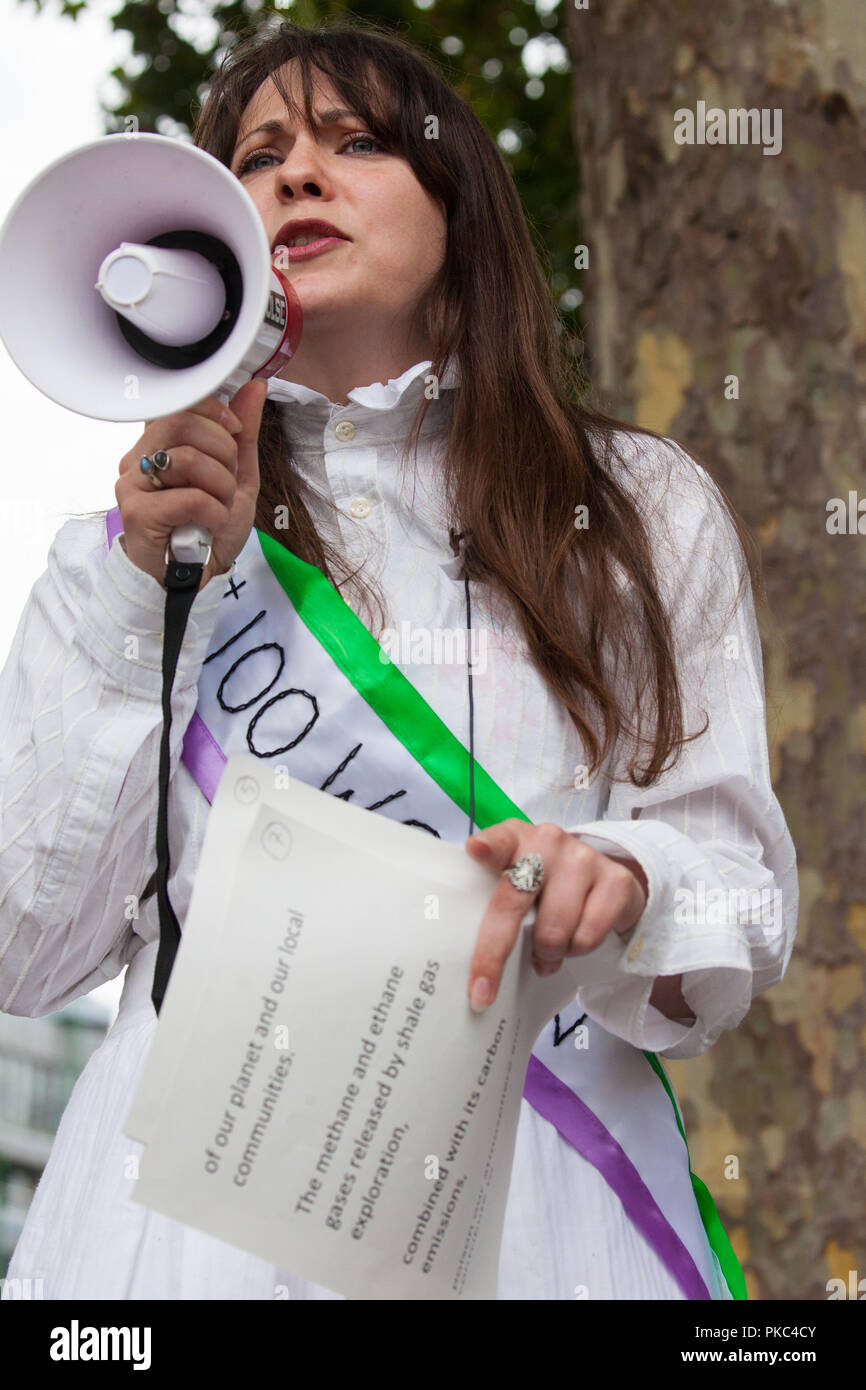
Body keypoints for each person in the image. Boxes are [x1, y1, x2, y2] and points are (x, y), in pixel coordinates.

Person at [0, 17, 797, 1300]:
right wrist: (149, 587)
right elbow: (21, 948)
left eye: (355, 141)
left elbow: (745, 898)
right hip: (189, 1220)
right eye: (256, 159)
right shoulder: (119, 556)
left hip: (536, 1199)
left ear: (460, 207)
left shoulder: (637, 506)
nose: (298, 176)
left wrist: (624, 880)